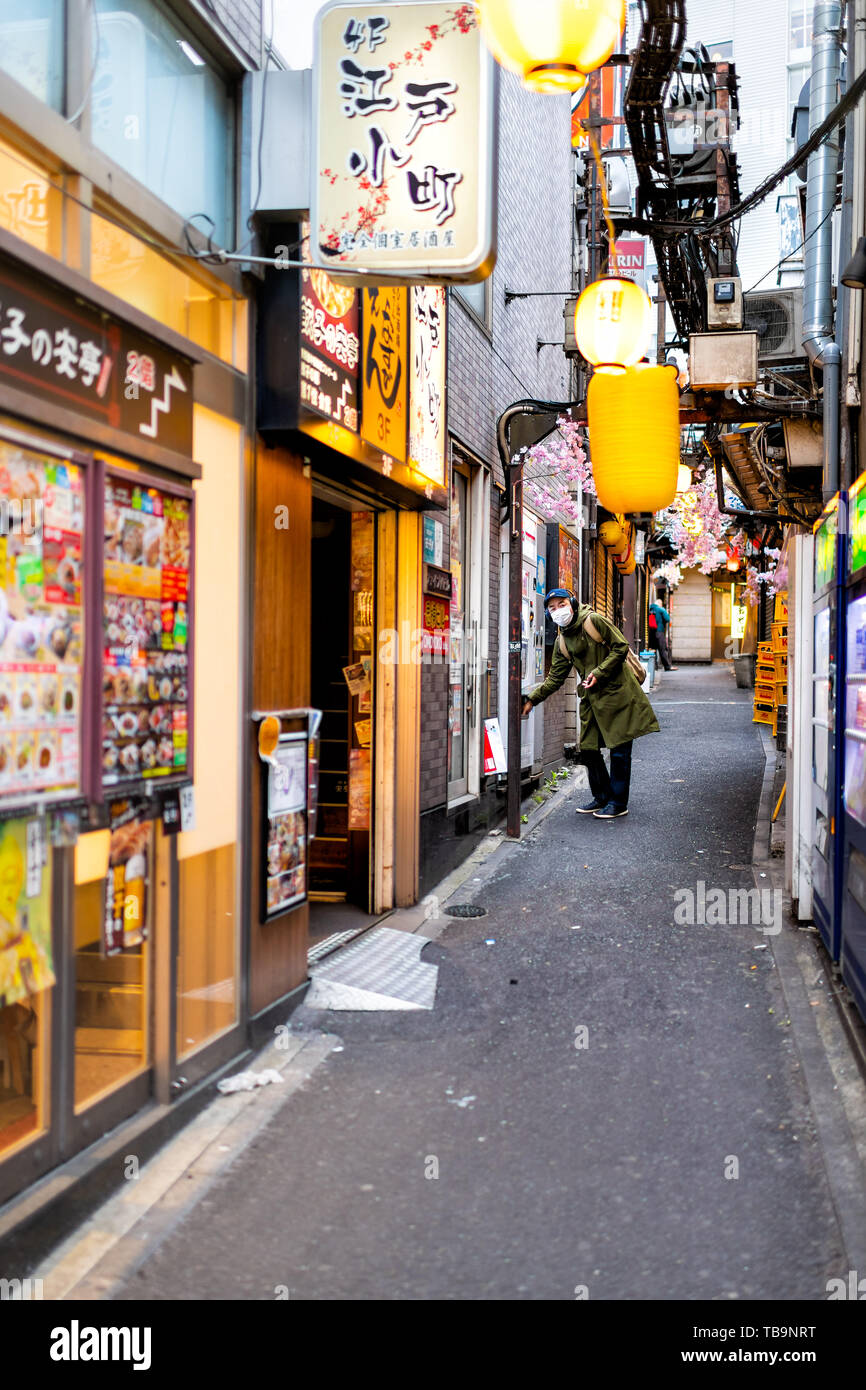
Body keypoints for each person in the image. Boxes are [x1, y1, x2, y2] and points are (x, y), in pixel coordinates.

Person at [522, 589, 660, 819]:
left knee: (619, 751)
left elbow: (621, 646)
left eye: (562, 604)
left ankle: (618, 802)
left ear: (573, 603)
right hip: (592, 699)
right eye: (552, 608)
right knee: (587, 749)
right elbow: (555, 678)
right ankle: (603, 796)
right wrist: (532, 699)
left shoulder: (592, 620)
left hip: (619, 694)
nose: (558, 610)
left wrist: (599, 672)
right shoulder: (562, 640)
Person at [649, 589, 678, 672]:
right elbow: (667, 619)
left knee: (652, 649)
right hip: (659, 631)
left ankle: (653, 666)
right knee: (662, 649)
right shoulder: (661, 609)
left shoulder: (650, 609)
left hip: (651, 632)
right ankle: (667, 666)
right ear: (660, 604)